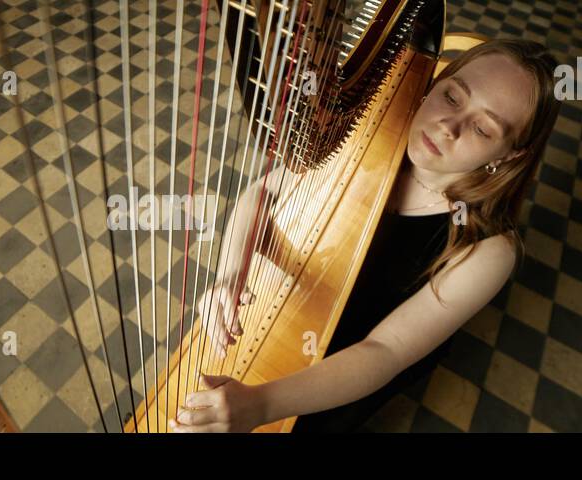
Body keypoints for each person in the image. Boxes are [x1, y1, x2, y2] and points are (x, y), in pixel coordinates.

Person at [174, 38, 562, 433]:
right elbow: (263, 191)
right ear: (434, 83)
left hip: (365, 356)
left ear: (508, 155)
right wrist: (231, 271)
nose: (448, 127)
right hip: (301, 302)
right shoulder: (368, 134)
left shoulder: (489, 250)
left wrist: (259, 404)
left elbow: (385, 351)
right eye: (452, 97)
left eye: (482, 128)